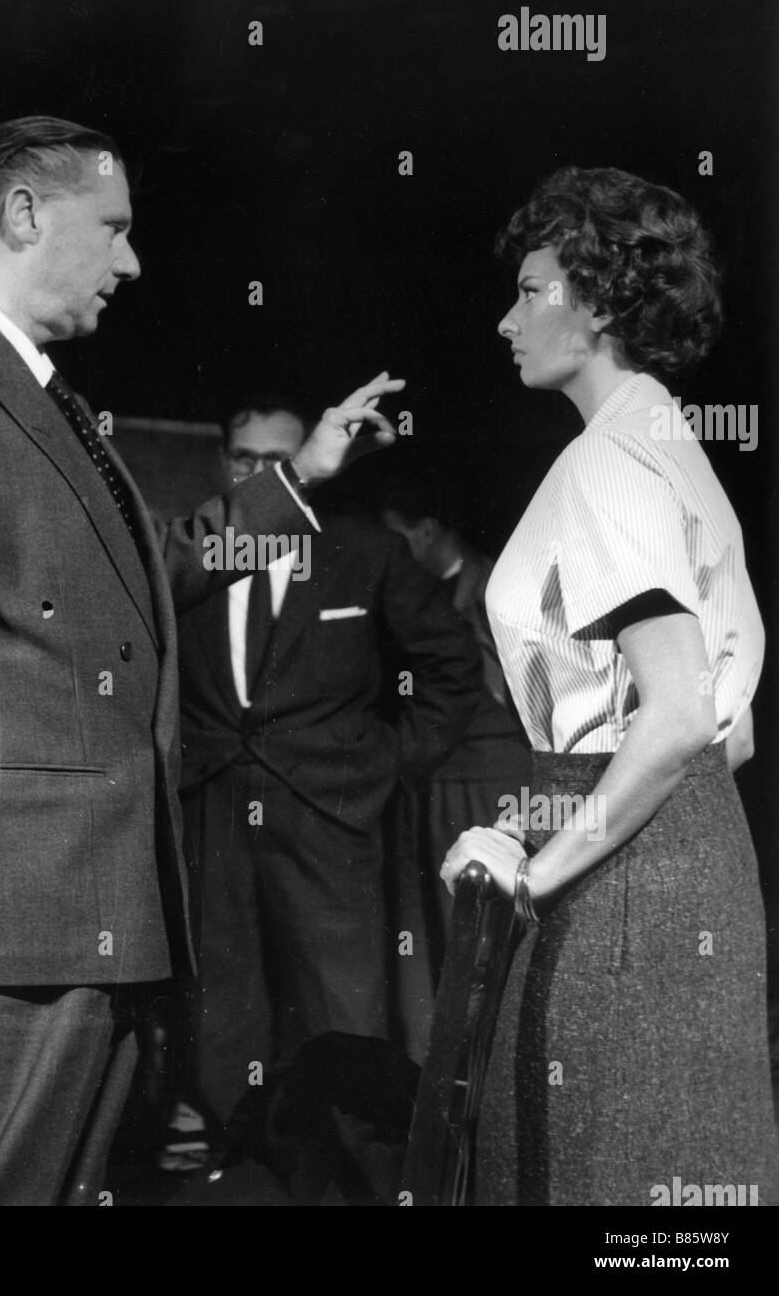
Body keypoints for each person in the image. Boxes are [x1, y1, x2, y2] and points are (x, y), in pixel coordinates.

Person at [0, 115, 404, 1206]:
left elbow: (153, 578)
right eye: (114, 228)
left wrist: (301, 479)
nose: (133, 261)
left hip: (87, 925)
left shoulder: (45, 397)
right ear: (21, 214)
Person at [440, 166, 778, 1206]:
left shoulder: (607, 462)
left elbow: (674, 713)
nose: (507, 319)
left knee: (595, 1181)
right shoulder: (675, 448)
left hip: (619, 890)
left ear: (597, 303)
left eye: (533, 290)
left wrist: (537, 873)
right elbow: (733, 734)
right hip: (695, 864)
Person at [173, 393, 482, 1134]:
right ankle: (236, 1157)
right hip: (212, 811)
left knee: (341, 1010)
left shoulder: (364, 552)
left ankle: (350, 1163)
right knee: (224, 1008)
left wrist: (385, 761)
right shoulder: (191, 556)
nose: (261, 472)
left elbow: (452, 670)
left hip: (330, 813)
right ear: (225, 462)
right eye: (246, 459)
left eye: (281, 460)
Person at [378, 476, 530, 1027]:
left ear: (426, 530)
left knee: (478, 931)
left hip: (489, 779)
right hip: (438, 781)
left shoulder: (488, 590)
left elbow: (506, 688)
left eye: (396, 538)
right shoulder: (421, 591)